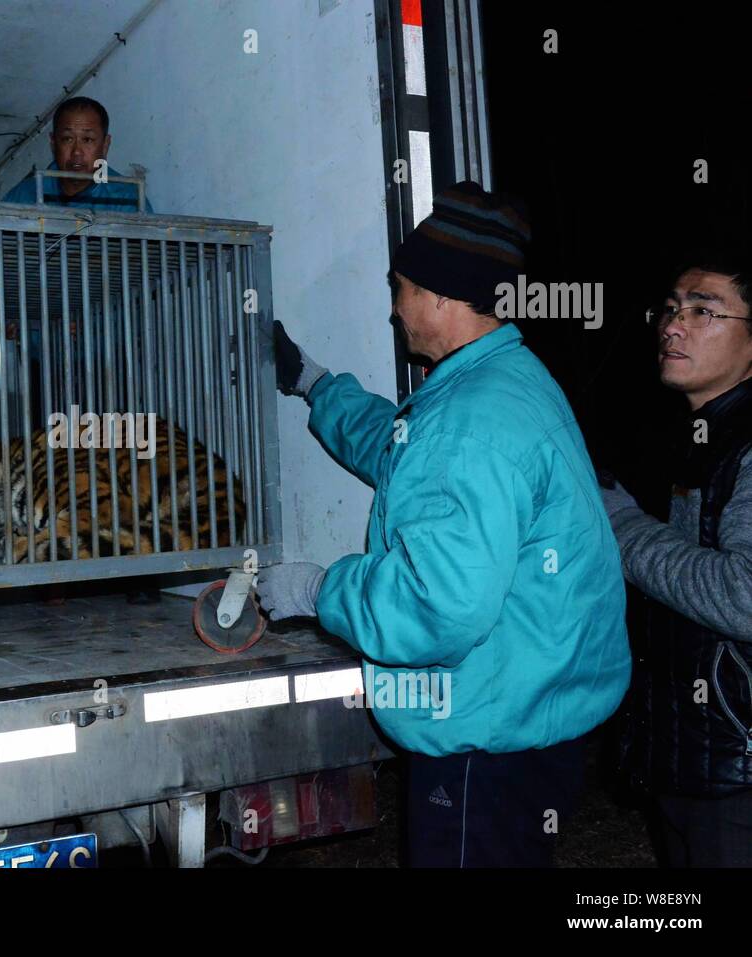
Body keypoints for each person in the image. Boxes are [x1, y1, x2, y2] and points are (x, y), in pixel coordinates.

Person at [257, 181, 631, 866]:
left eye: (399, 287)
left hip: (484, 743)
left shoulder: (472, 419)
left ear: (439, 295)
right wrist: (316, 384)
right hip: (529, 722)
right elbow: (400, 450)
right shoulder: (499, 379)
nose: (394, 306)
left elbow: (439, 602)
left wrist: (317, 591)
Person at [601, 253, 752, 867]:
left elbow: (744, 596)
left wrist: (623, 527)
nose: (672, 324)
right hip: (695, 758)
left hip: (738, 774)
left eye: (703, 311)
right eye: (670, 308)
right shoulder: (698, 438)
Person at [1, 96, 153, 213]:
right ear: (54, 144)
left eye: (87, 140)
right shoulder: (25, 195)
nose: (77, 152)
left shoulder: (128, 201)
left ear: (105, 145)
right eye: (67, 139)